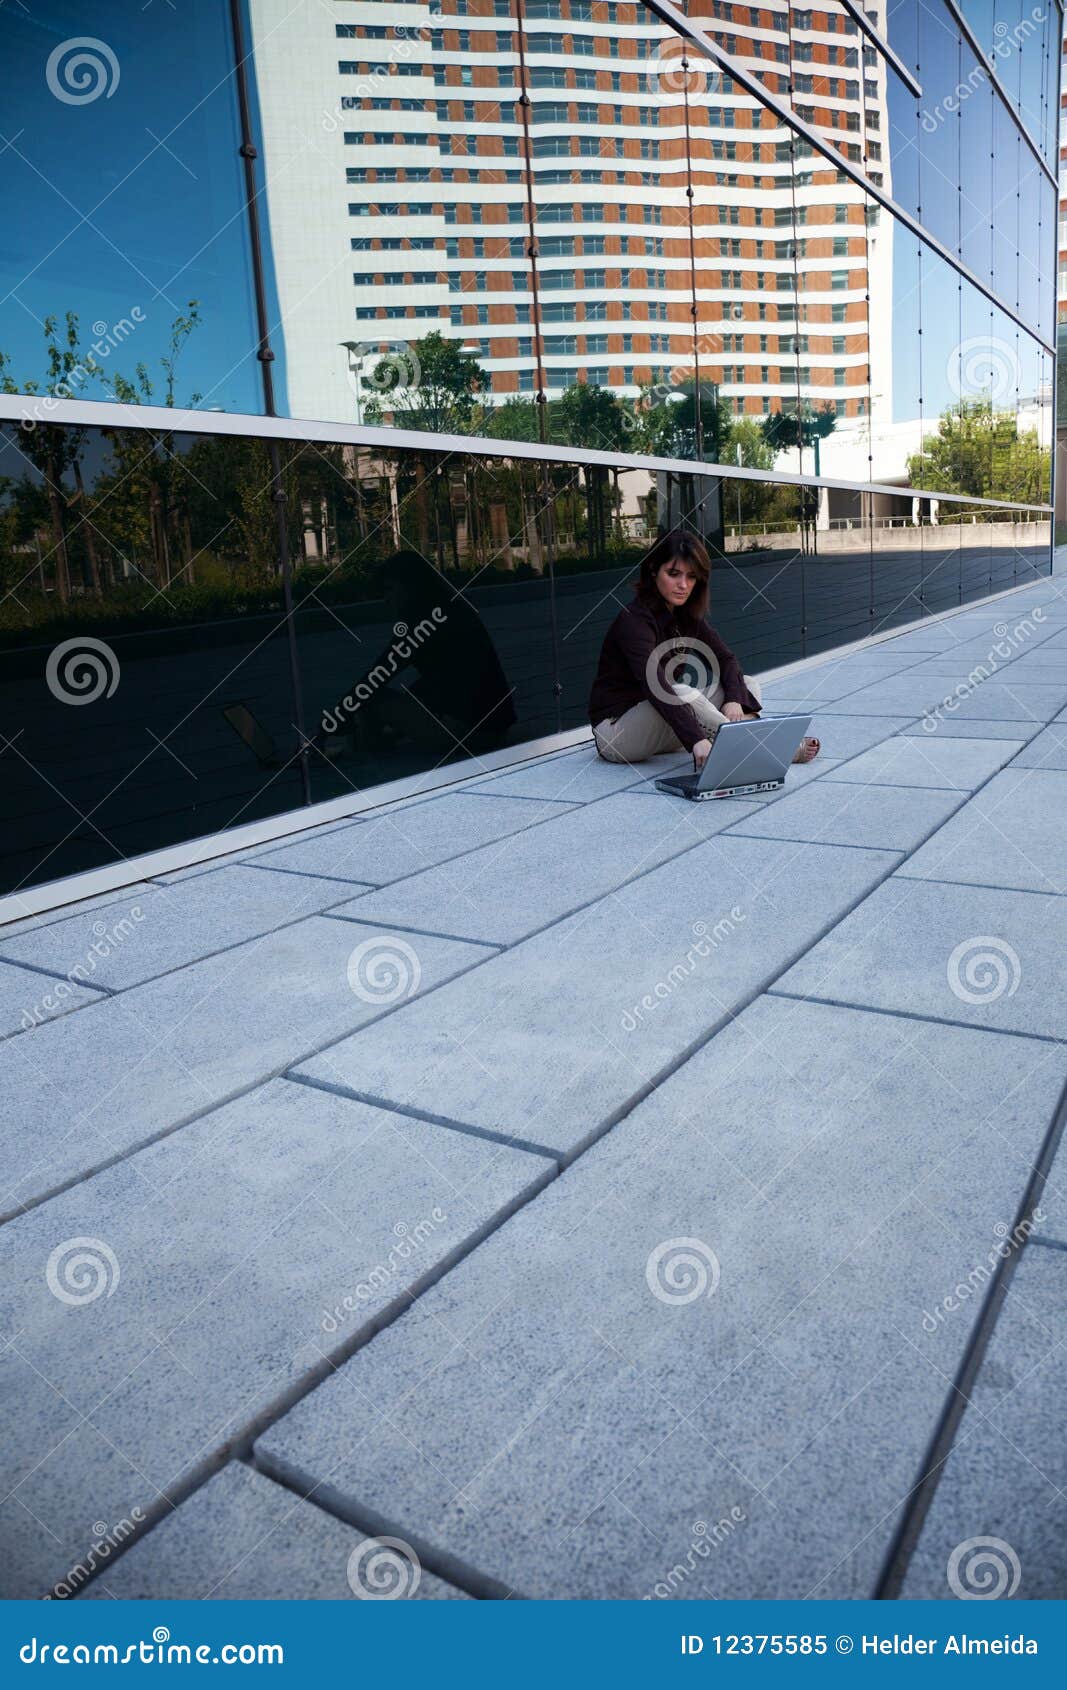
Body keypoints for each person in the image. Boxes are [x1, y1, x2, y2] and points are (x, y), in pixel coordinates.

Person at [588, 529, 820, 769]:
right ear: (653, 570)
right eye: (674, 574)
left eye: (691, 576)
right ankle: (765, 747)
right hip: (618, 733)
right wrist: (696, 739)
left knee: (747, 685)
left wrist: (732, 699)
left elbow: (726, 659)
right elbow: (655, 686)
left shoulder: (685, 615)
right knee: (680, 691)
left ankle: (733, 740)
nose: (683, 585)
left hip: (664, 723)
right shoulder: (634, 620)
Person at [317, 549, 516, 759]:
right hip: (495, 730)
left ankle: (366, 748)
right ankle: (381, 739)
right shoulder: (451, 610)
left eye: (390, 590)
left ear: (410, 587)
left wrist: (327, 727)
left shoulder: (422, 624)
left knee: (371, 700)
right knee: (409, 692)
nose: (386, 599)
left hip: (466, 732)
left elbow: (375, 679)